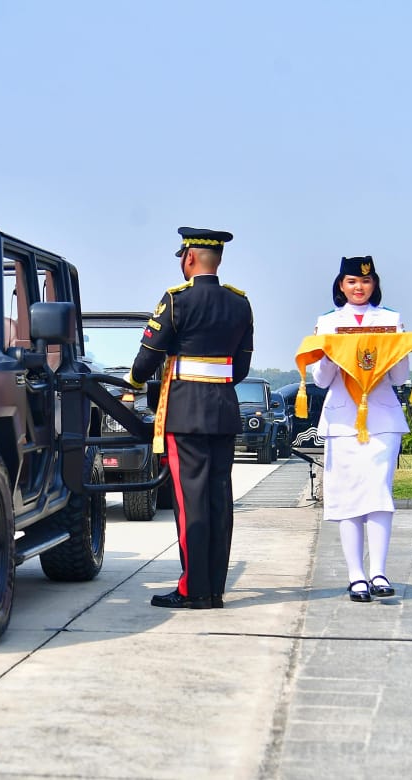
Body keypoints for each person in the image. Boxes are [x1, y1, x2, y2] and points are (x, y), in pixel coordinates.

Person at [128, 227, 254, 609]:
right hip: (224, 412)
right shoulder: (240, 303)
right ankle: (213, 588)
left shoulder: (176, 300)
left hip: (184, 415)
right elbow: (242, 366)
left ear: (189, 258)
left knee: (190, 504)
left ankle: (193, 590)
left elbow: (149, 355)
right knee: (219, 500)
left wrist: (131, 382)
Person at [311, 256, 408, 602]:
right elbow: (321, 380)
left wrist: (395, 351)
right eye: (352, 281)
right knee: (348, 497)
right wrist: (329, 350)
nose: (359, 287)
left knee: (379, 494)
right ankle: (356, 576)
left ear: (374, 284)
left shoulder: (390, 320)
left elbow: (400, 378)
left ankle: (379, 572)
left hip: (382, 418)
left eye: (365, 282)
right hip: (342, 419)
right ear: (341, 285)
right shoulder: (327, 322)